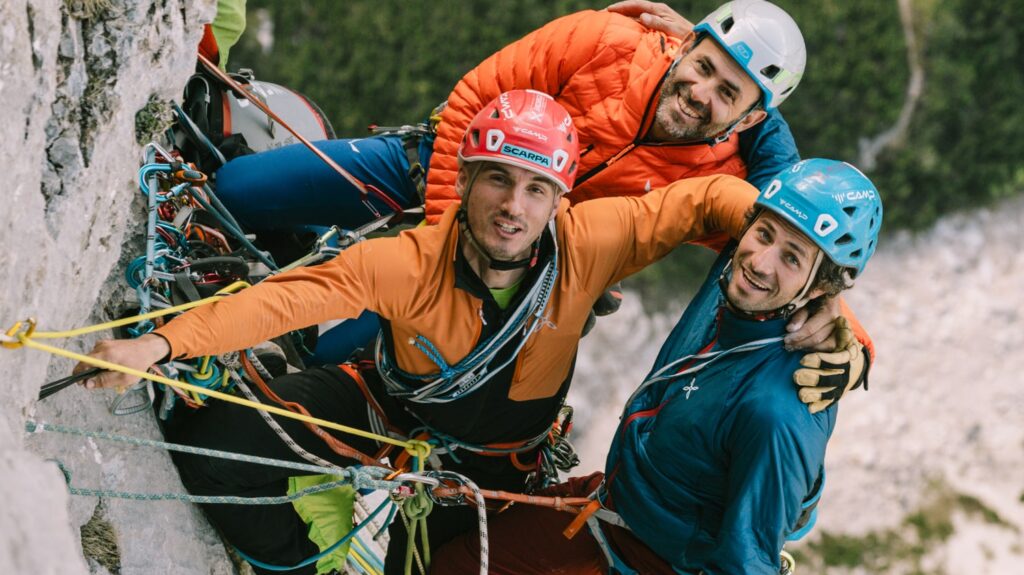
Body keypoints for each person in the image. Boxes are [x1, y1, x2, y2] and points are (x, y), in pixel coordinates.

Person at [76, 92, 853, 574]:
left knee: (440, 568)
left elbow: (709, 201)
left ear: (560, 199)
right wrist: (160, 345)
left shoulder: (591, 242)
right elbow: (292, 298)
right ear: (467, 180)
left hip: (496, 462)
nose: (514, 206)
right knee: (215, 445)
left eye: (537, 188)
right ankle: (306, 564)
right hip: (392, 403)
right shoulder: (411, 261)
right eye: (498, 180)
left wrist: (828, 312)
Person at [210, 0, 811, 362]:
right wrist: (444, 234)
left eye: (727, 92)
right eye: (703, 66)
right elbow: (475, 97)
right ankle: (312, 247)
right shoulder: (605, 41)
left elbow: (790, 248)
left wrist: (839, 323)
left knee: (321, 355)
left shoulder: (716, 180)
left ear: (750, 119)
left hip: (509, 267)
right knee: (234, 192)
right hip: (442, 170)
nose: (700, 93)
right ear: (684, 46)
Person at [431, 159, 883, 574]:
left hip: (652, 561)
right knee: (455, 563)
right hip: (609, 507)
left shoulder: (778, 411)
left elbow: (748, 561)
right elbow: (730, 179)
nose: (760, 263)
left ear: (821, 288)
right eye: (764, 234)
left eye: (792, 258)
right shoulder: (734, 279)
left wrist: (856, 346)